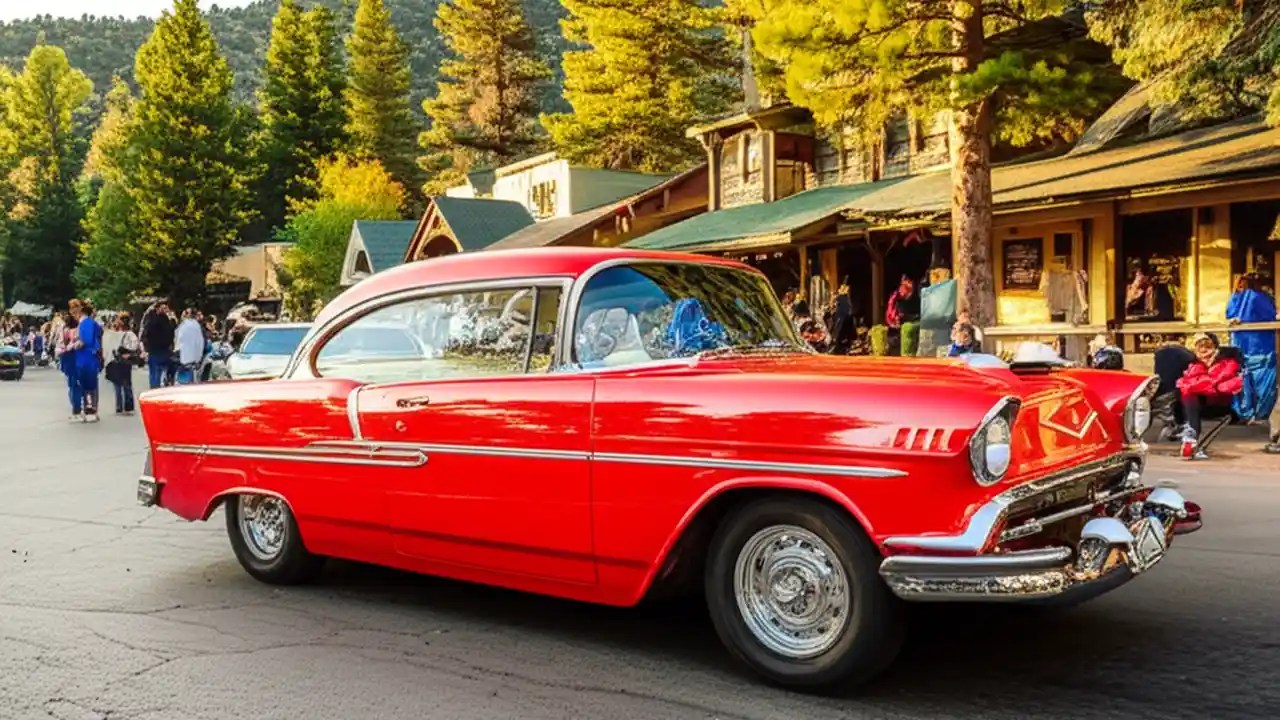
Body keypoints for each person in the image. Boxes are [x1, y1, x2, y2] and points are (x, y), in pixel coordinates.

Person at [1176, 333, 1242, 460]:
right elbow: (1185, 383)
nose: (1204, 351)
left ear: (1215, 348)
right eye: (1199, 347)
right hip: (1200, 402)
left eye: (1207, 347)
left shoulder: (1228, 363)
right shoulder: (1195, 365)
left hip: (1222, 403)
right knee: (1188, 395)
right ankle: (1191, 438)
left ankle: (1191, 436)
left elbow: (1220, 383)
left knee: (1190, 393)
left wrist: (1199, 383)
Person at [1225, 274, 1277, 424]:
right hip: (1260, 347)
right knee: (1263, 384)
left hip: (1242, 347)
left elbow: (1230, 316)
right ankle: (1260, 414)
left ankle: (1245, 412)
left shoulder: (1235, 298)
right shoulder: (1257, 297)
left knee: (1244, 380)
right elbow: (1270, 316)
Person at [1152, 341, 1196, 441]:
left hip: (1163, 387)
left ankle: (1173, 426)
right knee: (1179, 404)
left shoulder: (1159, 355)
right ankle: (1180, 426)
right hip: (1179, 386)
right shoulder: (1186, 354)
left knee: (1168, 405)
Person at [107, 313, 140, 415]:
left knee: (119, 383)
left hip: (118, 360)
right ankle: (127, 406)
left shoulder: (122, 334)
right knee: (125, 383)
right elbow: (135, 346)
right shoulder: (130, 334)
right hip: (123, 360)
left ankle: (119, 406)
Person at [57, 302, 82, 421]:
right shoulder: (79, 328)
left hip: (68, 357)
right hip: (76, 356)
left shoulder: (65, 330)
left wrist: (63, 348)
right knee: (76, 383)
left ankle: (76, 407)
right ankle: (79, 407)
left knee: (72, 384)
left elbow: (60, 343)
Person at [142, 302, 175, 389]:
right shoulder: (167, 321)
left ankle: (154, 393)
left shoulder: (149, 321)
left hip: (153, 350)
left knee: (154, 374)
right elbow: (171, 334)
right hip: (165, 350)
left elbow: (145, 335)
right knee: (166, 372)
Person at [175, 308, 205, 385]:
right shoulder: (197, 326)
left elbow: (178, 339)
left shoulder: (183, 325)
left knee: (183, 378)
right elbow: (200, 342)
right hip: (194, 357)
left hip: (183, 355)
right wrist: (199, 356)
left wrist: (177, 350)